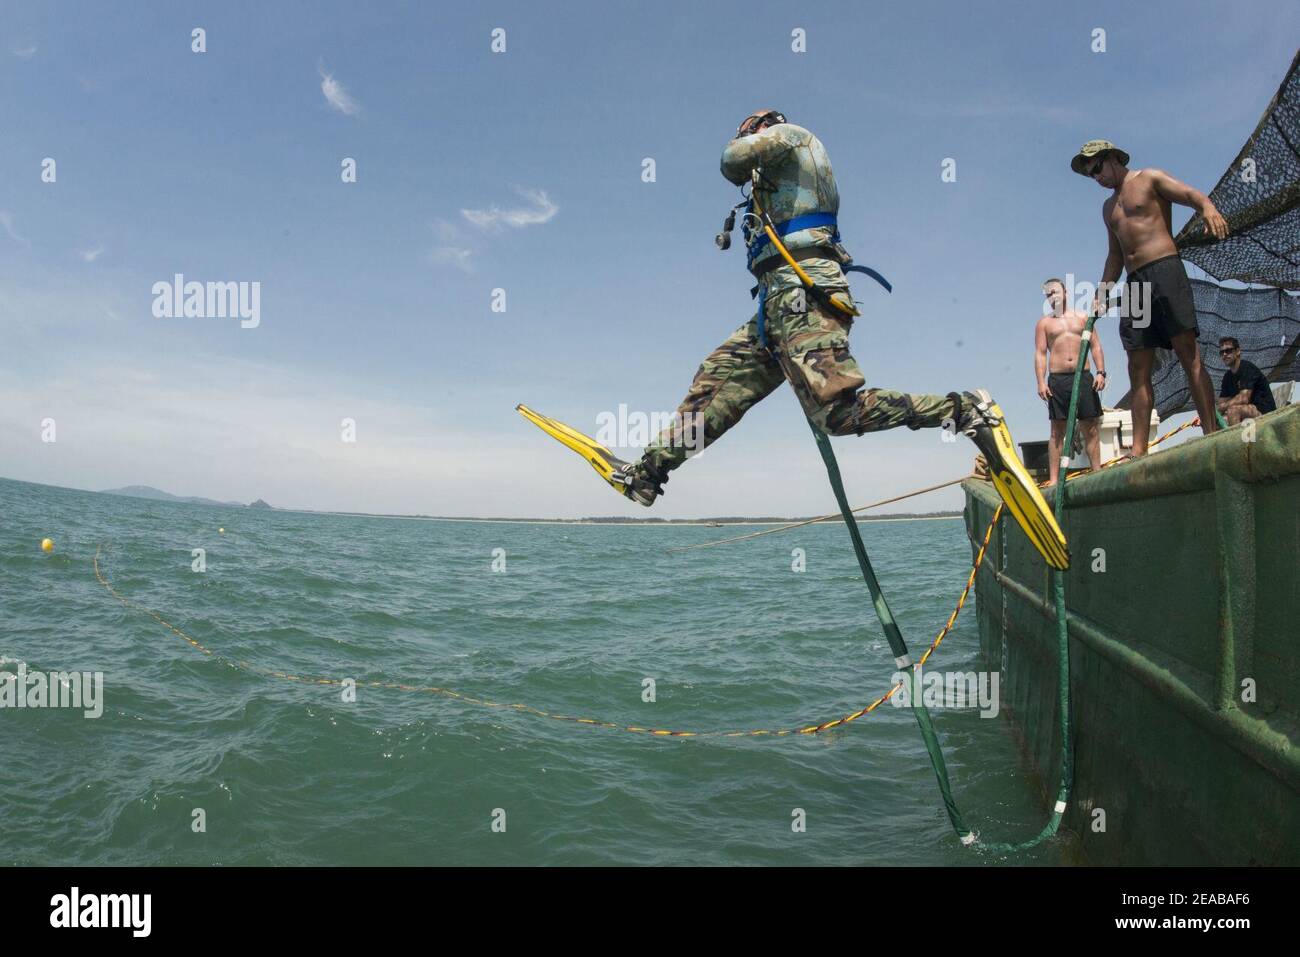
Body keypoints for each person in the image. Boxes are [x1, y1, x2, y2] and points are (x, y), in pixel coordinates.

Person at [1073, 139, 1229, 456]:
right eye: (1091, 175)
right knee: (1137, 366)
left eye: (1098, 168)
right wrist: (1101, 294)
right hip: (1136, 285)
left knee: (1188, 353)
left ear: (1113, 158)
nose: (1097, 178)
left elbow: (1188, 194)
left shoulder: (1149, 178)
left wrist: (1207, 206)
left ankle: (1212, 432)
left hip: (1165, 270)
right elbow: (1114, 257)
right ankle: (1139, 449)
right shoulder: (1108, 209)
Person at [1035, 278, 1105, 485]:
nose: (1052, 297)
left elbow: (1096, 346)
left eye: (1055, 292)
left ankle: (1097, 472)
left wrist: (1101, 372)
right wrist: (1041, 382)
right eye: (1048, 295)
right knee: (1057, 430)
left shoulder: (1083, 317)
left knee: (1090, 426)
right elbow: (1040, 354)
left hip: (1083, 377)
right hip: (1058, 380)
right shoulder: (1044, 324)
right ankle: (1055, 479)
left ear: (1065, 292)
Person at [1216, 336, 1276, 425]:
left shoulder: (1247, 368)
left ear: (1237, 351)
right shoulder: (1227, 377)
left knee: (1233, 411)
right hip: (1246, 413)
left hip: (1265, 413)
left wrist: (1221, 407)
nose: (1224, 354)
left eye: (1228, 351)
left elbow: (1243, 399)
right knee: (1215, 421)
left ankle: (1237, 439)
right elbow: (1221, 404)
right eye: (1221, 352)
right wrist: (1212, 415)